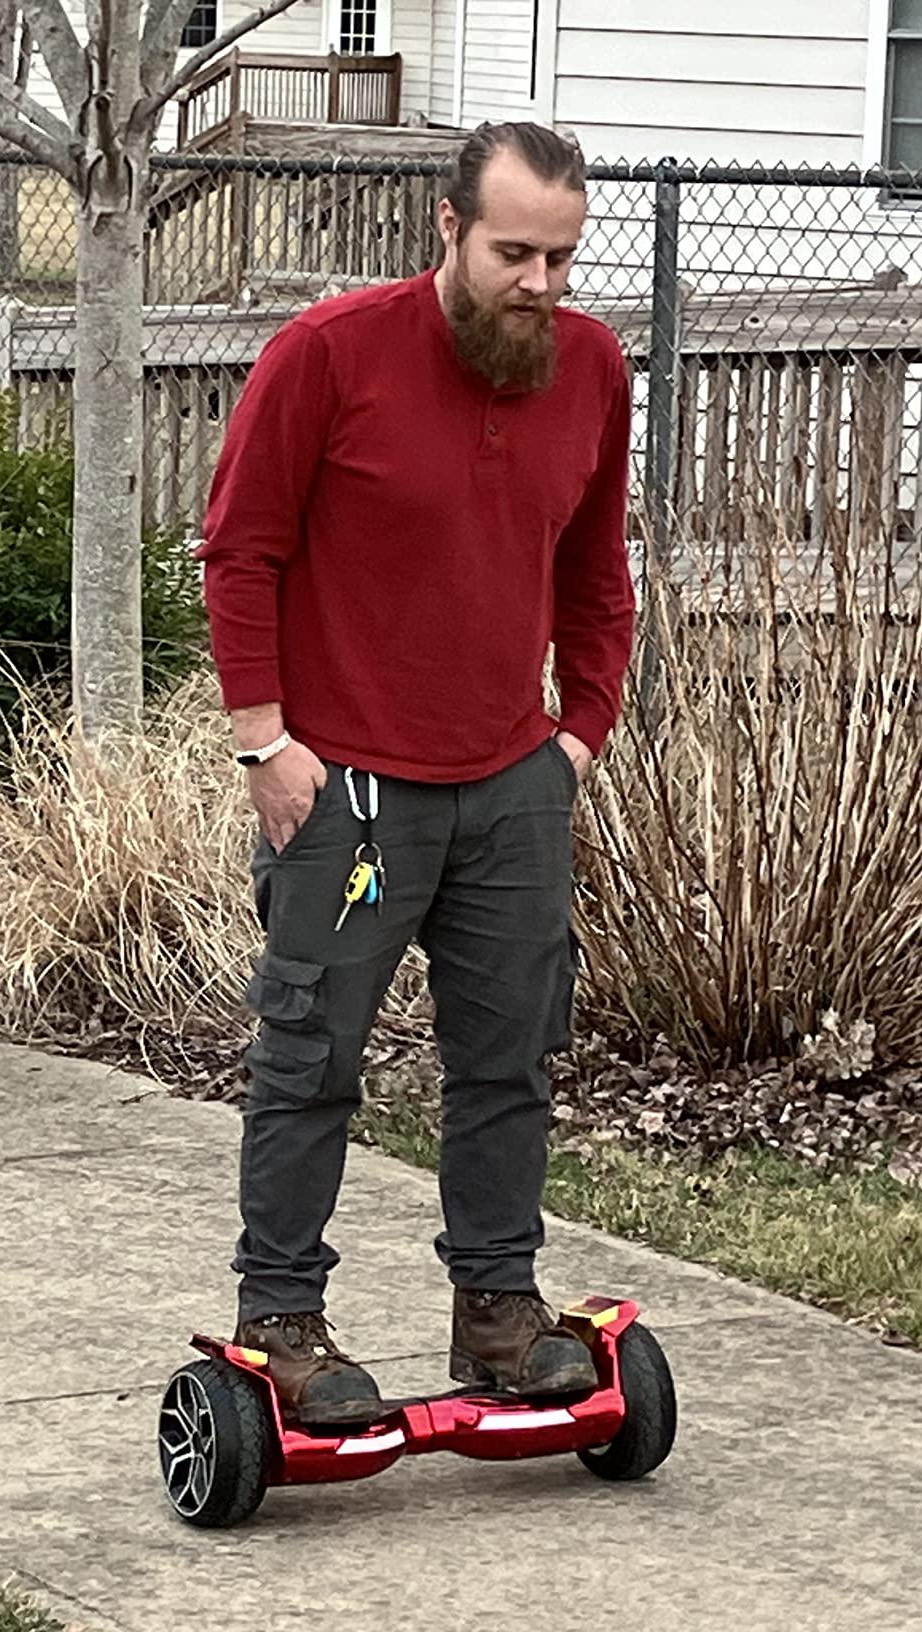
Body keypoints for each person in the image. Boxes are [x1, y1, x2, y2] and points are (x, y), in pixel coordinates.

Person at [195, 121, 636, 1425]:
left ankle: (498, 1314)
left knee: (510, 1062)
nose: (542, 284)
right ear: (446, 229)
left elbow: (596, 569)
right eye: (515, 253)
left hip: (513, 788)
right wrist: (266, 745)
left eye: (562, 257)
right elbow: (240, 551)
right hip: (347, 794)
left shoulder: (593, 367)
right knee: (308, 1061)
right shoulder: (329, 355)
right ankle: (280, 1319)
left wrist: (579, 734)